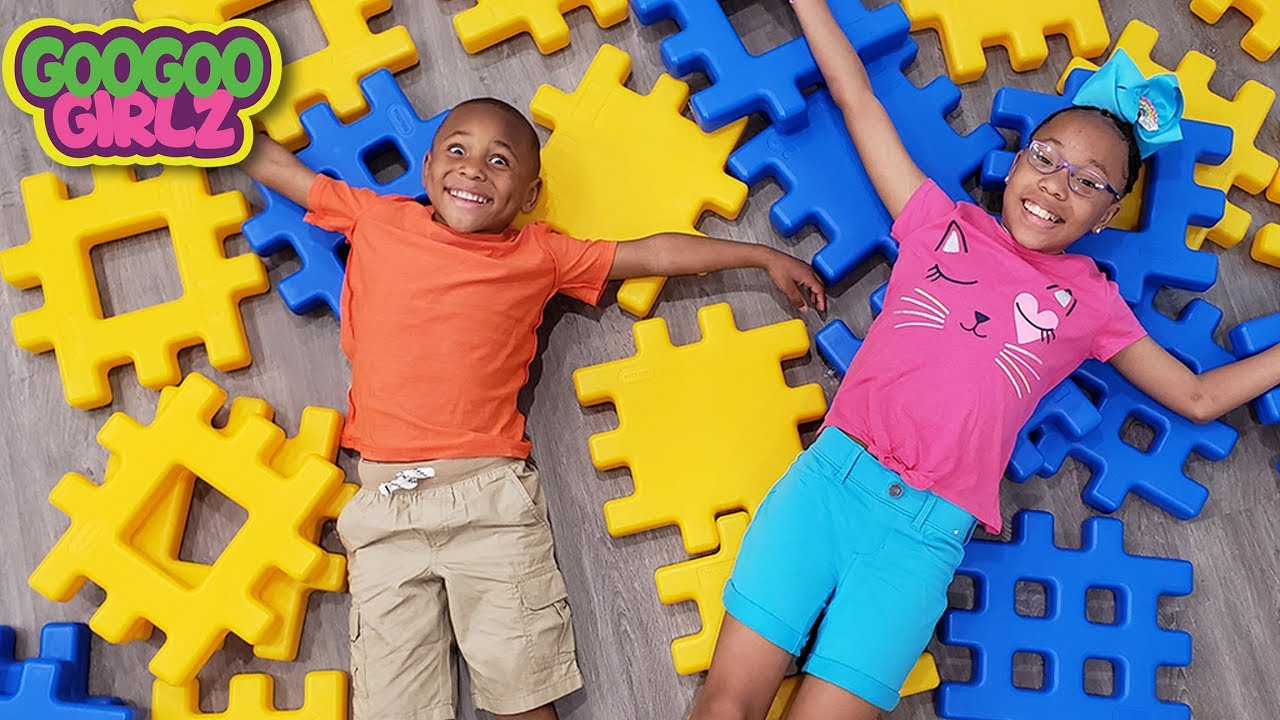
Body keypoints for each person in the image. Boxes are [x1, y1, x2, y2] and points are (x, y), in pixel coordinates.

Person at [689, 2, 1280, 719]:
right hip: (829, 487)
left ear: (1108, 214)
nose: (1059, 184)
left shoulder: (1092, 302)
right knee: (726, 707)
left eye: (1090, 182)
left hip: (922, 541)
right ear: (1017, 160)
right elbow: (856, 96)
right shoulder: (937, 219)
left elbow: (1196, 397)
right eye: (1047, 158)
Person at [240, 97, 825, 720]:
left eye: (500, 161)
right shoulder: (376, 219)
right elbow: (279, 168)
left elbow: (653, 255)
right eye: (458, 150)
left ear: (528, 193)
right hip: (383, 507)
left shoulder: (539, 255)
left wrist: (762, 256)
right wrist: (197, 114)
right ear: (428, 167)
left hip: (488, 500)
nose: (473, 169)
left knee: (524, 701)